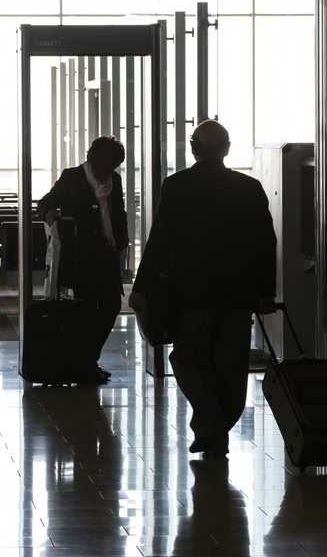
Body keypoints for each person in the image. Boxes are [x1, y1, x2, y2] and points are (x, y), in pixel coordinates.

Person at [129, 119, 277, 457]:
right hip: (238, 294)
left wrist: (142, 285)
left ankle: (211, 426)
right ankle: (216, 429)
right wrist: (265, 291)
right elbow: (265, 243)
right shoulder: (249, 187)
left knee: (187, 358)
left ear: (193, 149)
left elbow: (160, 239)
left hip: (192, 293)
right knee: (231, 364)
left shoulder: (177, 186)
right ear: (227, 149)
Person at [37, 135, 129, 384]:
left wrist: (123, 236)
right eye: (107, 164)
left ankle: (88, 360)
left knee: (110, 306)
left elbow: (118, 212)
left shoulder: (115, 180)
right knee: (83, 312)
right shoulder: (72, 177)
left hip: (106, 254)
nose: (109, 171)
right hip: (80, 255)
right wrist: (50, 214)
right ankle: (81, 364)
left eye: (113, 166)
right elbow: (44, 203)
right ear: (94, 159)